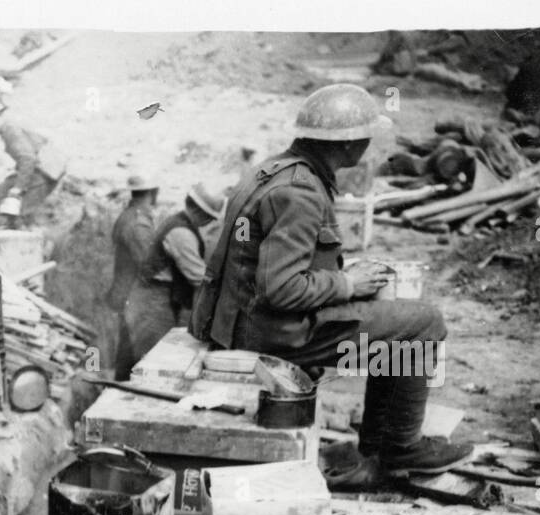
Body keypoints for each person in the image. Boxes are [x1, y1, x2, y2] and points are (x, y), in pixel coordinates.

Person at [192, 84, 474, 487]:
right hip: (274, 335)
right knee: (425, 323)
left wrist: (345, 275)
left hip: (244, 322)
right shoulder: (300, 192)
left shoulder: (274, 170)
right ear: (346, 144)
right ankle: (399, 447)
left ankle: (379, 448)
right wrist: (346, 282)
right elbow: (282, 289)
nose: (368, 144)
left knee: (397, 328)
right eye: (365, 137)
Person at [148, 181, 226, 339]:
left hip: (161, 298)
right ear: (199, 211)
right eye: (209, 218)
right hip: (154, 301)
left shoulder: (179, 222)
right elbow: (199, 278)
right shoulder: (181, 233)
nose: (210, 222)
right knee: (156, 352)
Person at [106, 174, 160, 381]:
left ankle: (120, 386)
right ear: (153, 192)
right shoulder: (138, 223)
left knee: (127, 351)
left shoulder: (130, 215)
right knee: (135, 351)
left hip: (126, 292)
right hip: (133, 295)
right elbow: (149, 263)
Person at [0, 102, 66, 223]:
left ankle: (25, 230)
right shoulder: (12, 126)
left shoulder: (10, 130)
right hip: (42, 169)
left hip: (45, 172)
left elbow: (28, 159)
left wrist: (19, 187)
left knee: (19, 211)